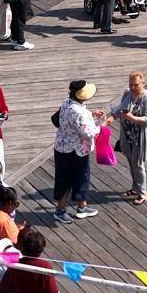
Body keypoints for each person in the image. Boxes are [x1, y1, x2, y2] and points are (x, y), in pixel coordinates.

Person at [51, 80, 102, 221]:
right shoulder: (78, 112)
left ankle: (82, 206)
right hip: (75, 151)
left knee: (80, 178)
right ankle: (60, 211)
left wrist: (91, 114)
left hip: (63, 147)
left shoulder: (67, 102)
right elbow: (88, 133)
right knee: (68, 180)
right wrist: (102, 126)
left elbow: (73, 118)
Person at [110, 72, 147, 204]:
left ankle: (143, 193)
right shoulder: (127, 93)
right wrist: (111, 117)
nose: (132, 87)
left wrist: (133, 118)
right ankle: (135, 188)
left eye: (136, 85)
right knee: (131, 162)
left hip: (140, 135)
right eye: (130, 84)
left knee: (138, 164)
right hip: (128, 134)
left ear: (143, 83)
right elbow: (121, 109)